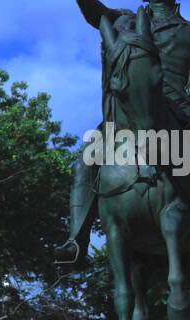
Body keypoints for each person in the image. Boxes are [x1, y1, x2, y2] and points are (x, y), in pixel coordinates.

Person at [58, 0, 190, 266]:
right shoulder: (123, 20)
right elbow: (95, 14)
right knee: (85, 161)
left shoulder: (187, 31)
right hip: (128, 112)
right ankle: (76, 240)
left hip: (180, 113)